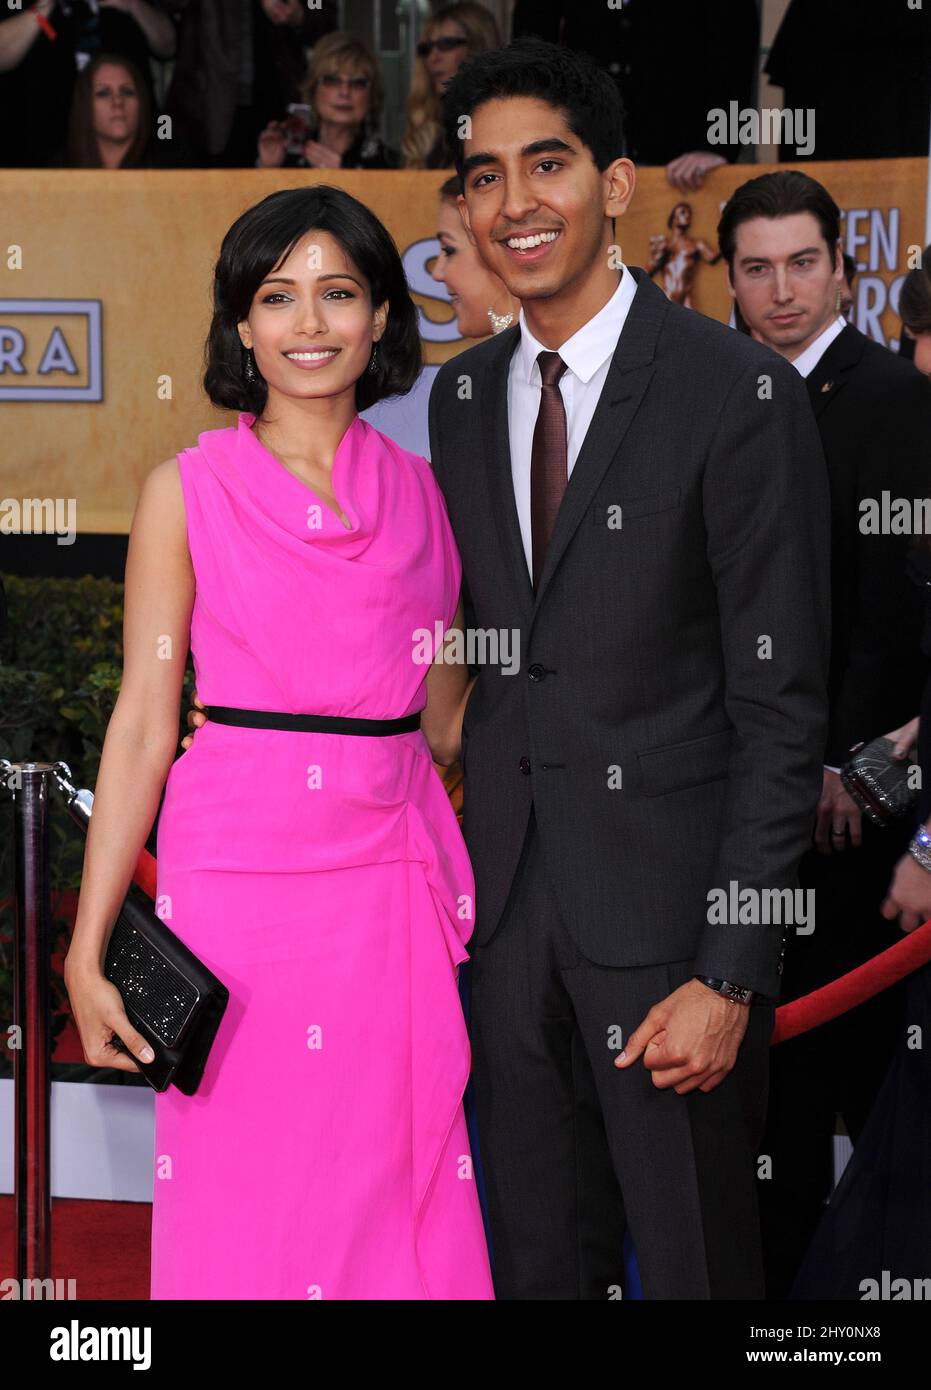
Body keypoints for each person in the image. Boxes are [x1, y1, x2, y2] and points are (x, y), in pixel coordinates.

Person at [425, 37, 830, 1300]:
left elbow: (781, 707)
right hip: (505, 929)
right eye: (484, 175)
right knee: (539, 1268)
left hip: (670, 946)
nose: (512, 203)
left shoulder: (735, 393)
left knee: (703, 1273)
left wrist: (730, 970)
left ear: (615, 184)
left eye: (544, 164)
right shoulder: (459, 397)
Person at [63, 183, 495, 1300]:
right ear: (241, 326)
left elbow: (448, 719)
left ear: (383, 319)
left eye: (338, 293)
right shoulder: (186, 491)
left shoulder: (430, 496)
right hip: (239, 890)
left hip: (387, 883)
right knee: (249, 1181)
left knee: (393, 1174)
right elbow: (145, 722)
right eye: (278, 295)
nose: (309, 323)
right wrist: (88, 937)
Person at [719, 169, 931, 1298]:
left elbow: (891, 611)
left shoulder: (894, 398)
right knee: (771, 1097)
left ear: (843, 268)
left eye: (803, 263)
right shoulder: (716, 392)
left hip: (860, 808)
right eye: (756, 268)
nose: (781, 289)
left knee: (864, 1073)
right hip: (741, 807)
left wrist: (842, 768)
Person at [0, 0, 176, 168]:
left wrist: (133, 5)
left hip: (134, 143)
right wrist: (41, 10)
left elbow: (169, 46)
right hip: (46, 138)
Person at [257, 31, 397, 171]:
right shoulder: (289, 153)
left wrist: (345, 180)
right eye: (332, 81)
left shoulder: (387, 163)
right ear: (313, 89)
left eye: (358, 83)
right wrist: (268, 168)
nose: (345, 92)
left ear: (371, 95)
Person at [401, 2, 500, 170]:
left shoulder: (499, 117)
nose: (434, 57)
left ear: (478, 47)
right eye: (427, 48)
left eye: (446, 44)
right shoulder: (432, 120)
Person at [57, 51, 168, 168]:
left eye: (127, 92)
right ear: (85, 106)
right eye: (103, 93)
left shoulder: (170, 168)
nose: (118, 101)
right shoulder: (57, 172)